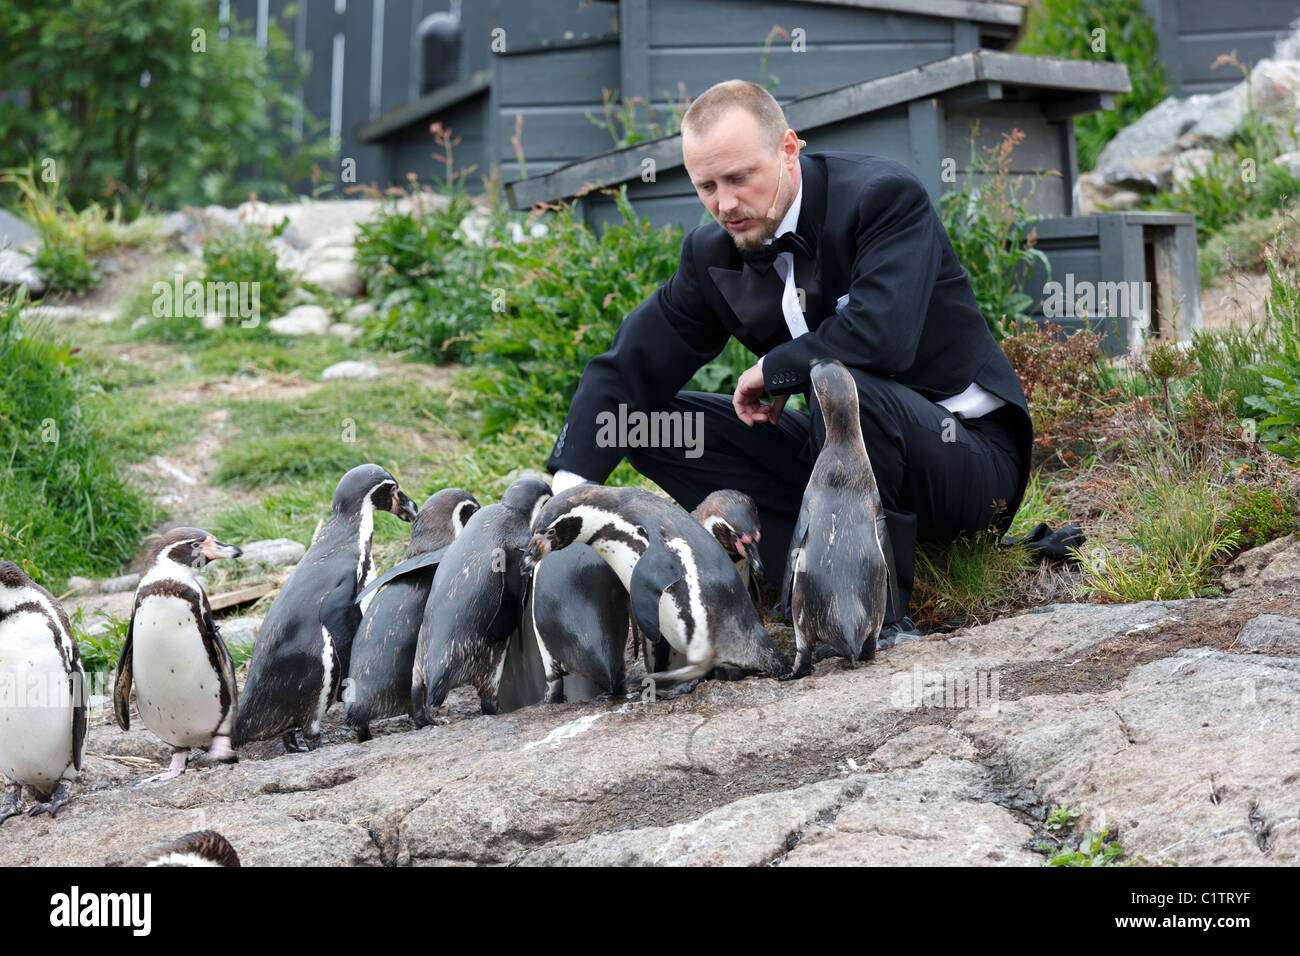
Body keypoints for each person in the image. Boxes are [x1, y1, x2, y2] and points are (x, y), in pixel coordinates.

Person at [546, 79, 1032, 646]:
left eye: (739, 178)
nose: (724, 204)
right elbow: (630, 364)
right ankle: (797, 575)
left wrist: (778, 367)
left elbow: (882, 336)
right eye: (706, 185)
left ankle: (880, 611)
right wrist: (564, 500)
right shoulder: (713, 254)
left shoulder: (883, 197)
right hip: (843, 457)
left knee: (838, 383)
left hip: (965, 458)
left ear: (788, 149)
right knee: (647, 422)